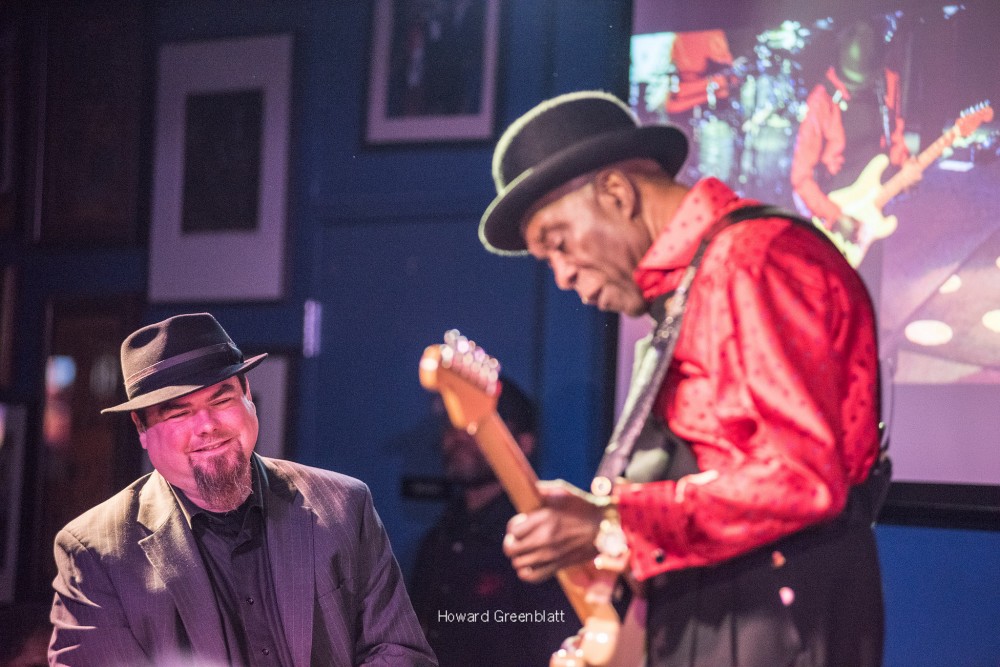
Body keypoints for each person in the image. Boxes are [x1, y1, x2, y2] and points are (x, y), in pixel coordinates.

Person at [478, 90, 886, 665]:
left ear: (616, 193)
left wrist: (611, 521)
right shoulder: (698, 283)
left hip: (772, 620)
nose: (564, 276)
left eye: (559, 244)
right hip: (727, 612)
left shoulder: (752, 259)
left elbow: (799, 478)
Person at [47, 313, 436, 667]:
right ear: (141, 428)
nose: (207, 425)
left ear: (248, 395)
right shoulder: (95, 554)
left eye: (222, 399)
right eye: (179, 412)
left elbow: (401, 654)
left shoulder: (345, 505)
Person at [409, 378, 575, 667]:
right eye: (452, 422)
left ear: (523, 443)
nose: (460, 433)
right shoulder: (437, 541)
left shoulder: (545, 541)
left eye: (478, 424)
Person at [790, 18, 920, 258]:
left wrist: (907, 167)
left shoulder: (888, 82)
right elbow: (801, 178)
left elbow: (895, 136)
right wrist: (836, 217)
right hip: (838, 211)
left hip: (874, 207)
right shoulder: (821, 101)